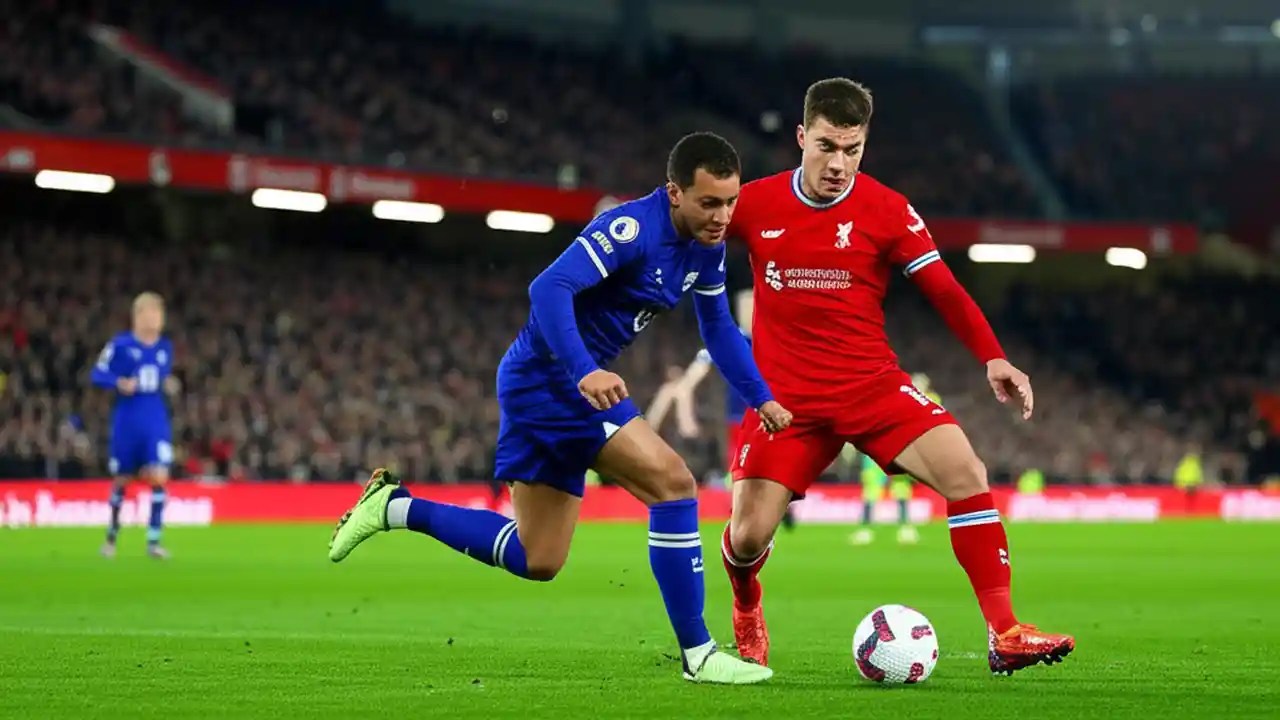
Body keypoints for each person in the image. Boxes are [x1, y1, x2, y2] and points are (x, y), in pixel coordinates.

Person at [328, 132, 792, 685]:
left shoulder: (708, 248)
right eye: (709, 202)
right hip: (553, 381)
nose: (722, 216)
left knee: (538, 558)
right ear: (674, 192)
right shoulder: (631, 230)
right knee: (674, 483)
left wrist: (761, 396)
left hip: (551, 385)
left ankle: (394, 508)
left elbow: (717, 329)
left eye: (731, 202)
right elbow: (548, 288)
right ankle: (699, 654)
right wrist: (585, 369)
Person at [719, 78, 1074, 675]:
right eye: (827, 146)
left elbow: (945, 289)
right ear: (802, 137)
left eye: (852, 150)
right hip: (787, 401)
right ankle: (747, 605)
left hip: (871, 386)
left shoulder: (887, 209)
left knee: (966, 471)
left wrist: (993, 355)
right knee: (748, 536)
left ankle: (1005, 631)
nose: (838, 164)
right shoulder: (752, 204)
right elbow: (684, 234)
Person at [648, 290, 795, 530]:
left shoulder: (773, 338)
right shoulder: (731, 339)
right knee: (739, 471)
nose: (750, 311)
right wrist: (685, 409)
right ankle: (746, 518)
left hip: (770, 414)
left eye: (754, 306)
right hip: (739, 417)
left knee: (774, 467)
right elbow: (691, 378)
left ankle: (779, 509)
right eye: (746, 306)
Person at [90, 292, 179, 559]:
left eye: (159, 314)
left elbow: (161, 376)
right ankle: (112, 536)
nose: (156, 319)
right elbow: (97, 373)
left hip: (155, 419)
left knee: (160, 476)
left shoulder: (165, 348)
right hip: (127, 420)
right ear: (137, 316)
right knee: (122, 479)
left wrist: (170, 384)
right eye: (150, 313)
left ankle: (154, 541)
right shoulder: (120, 344)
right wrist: (118, 383)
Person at [849, 373, 936, 546]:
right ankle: (866, 529)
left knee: (900, 489)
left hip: (899, 448)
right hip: (876, 450)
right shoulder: (889, 398)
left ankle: (904, 529)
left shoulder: (925, 400)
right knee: (872, 490)